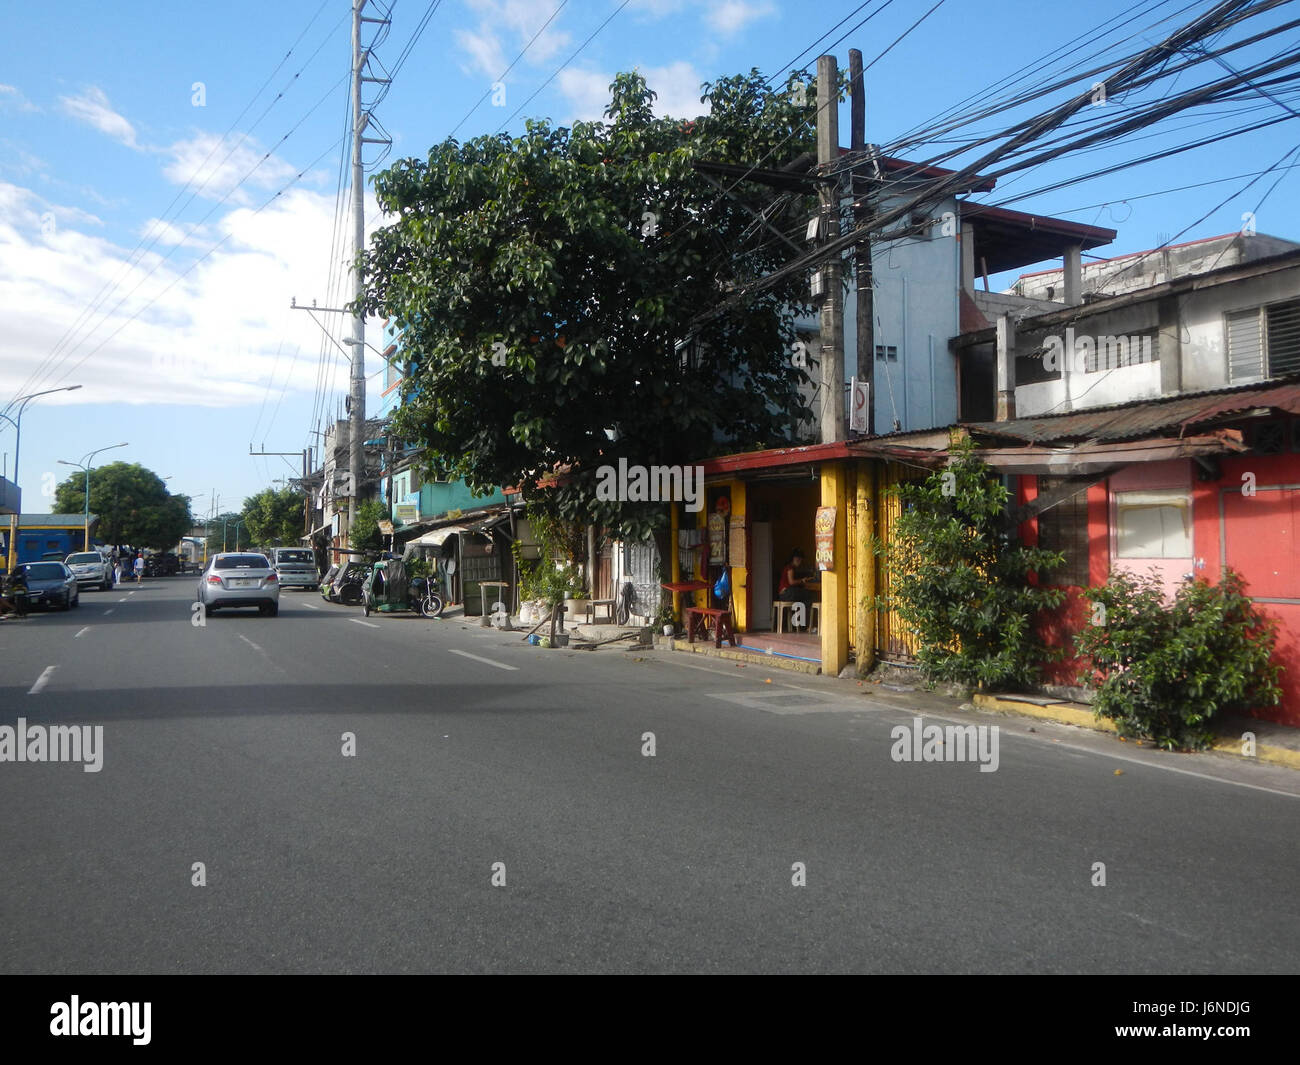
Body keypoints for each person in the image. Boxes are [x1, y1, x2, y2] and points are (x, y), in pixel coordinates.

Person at [777, 548, 814, 630]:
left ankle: (798, 625)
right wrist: (802, 580)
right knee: (808, 597)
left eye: (800, 560)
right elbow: (791, 582)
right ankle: (806, 625)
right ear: (794, 559)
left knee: (803, 599)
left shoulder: (789, 567)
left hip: (784, 594)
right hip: (787, 593)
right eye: (798, 560)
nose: (799, 562)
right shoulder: (790, 568)